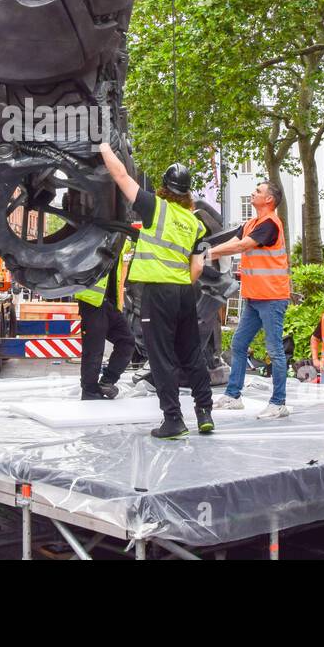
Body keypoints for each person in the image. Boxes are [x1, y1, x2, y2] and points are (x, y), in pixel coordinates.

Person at [99, 141, 213, 439]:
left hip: (158, 294)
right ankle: (204, 413)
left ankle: (173, 420)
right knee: (192, 354)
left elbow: (122, 176)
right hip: (185, 294)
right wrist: (181, 284)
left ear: (164, 186)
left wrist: (103, 146)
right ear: (187, 191)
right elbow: (198, 268)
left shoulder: (154, 208)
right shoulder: (196, 223)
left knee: (161, 357)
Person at [207, 180, 292, 419]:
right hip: (254, 297)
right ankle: (234, 396)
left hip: (272, 298)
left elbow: (243, 245)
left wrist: (208, 253)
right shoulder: (252, 223)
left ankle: (279, 403)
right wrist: (205, 248)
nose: (253, 192)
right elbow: (234, 240)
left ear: (269, 200)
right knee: (238, 344)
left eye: (258, 191)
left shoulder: (270, 224)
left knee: (275, 351)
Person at [73, 240, 134, 400]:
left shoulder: (120, 239)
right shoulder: (96, 236)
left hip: (111, 303)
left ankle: (107, 382)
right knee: (94, 350)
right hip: (92, 301)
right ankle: (90, 391)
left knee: (127, 342)